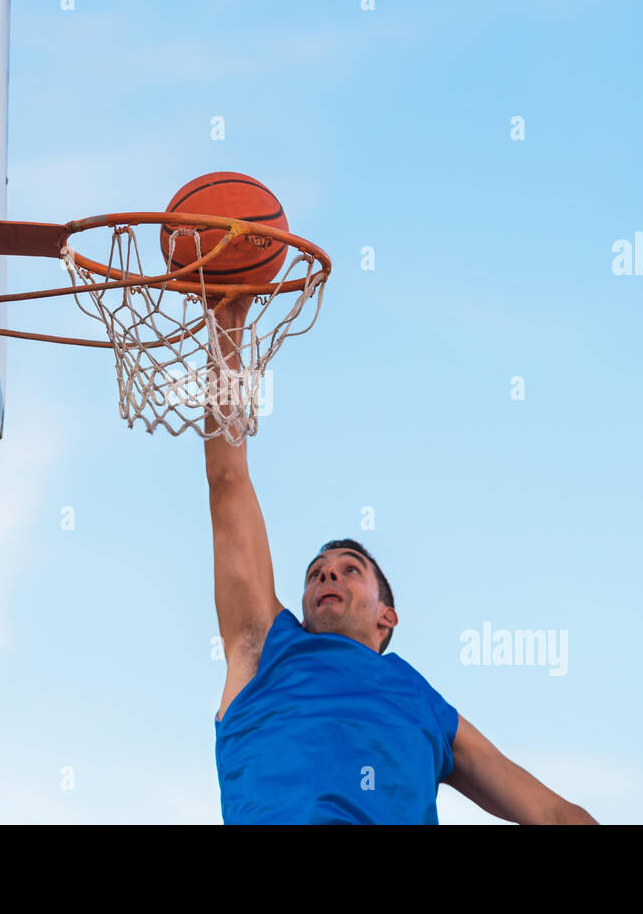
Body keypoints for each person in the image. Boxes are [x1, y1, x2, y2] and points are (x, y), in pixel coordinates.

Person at [205, 293, 598, 825]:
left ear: (385, 616)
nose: (328, 574)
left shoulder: (422, 702)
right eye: (317, 572)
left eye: (350, 569)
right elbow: (228, 480)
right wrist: (227, 322)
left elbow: (551, 813)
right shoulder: (265, 647)